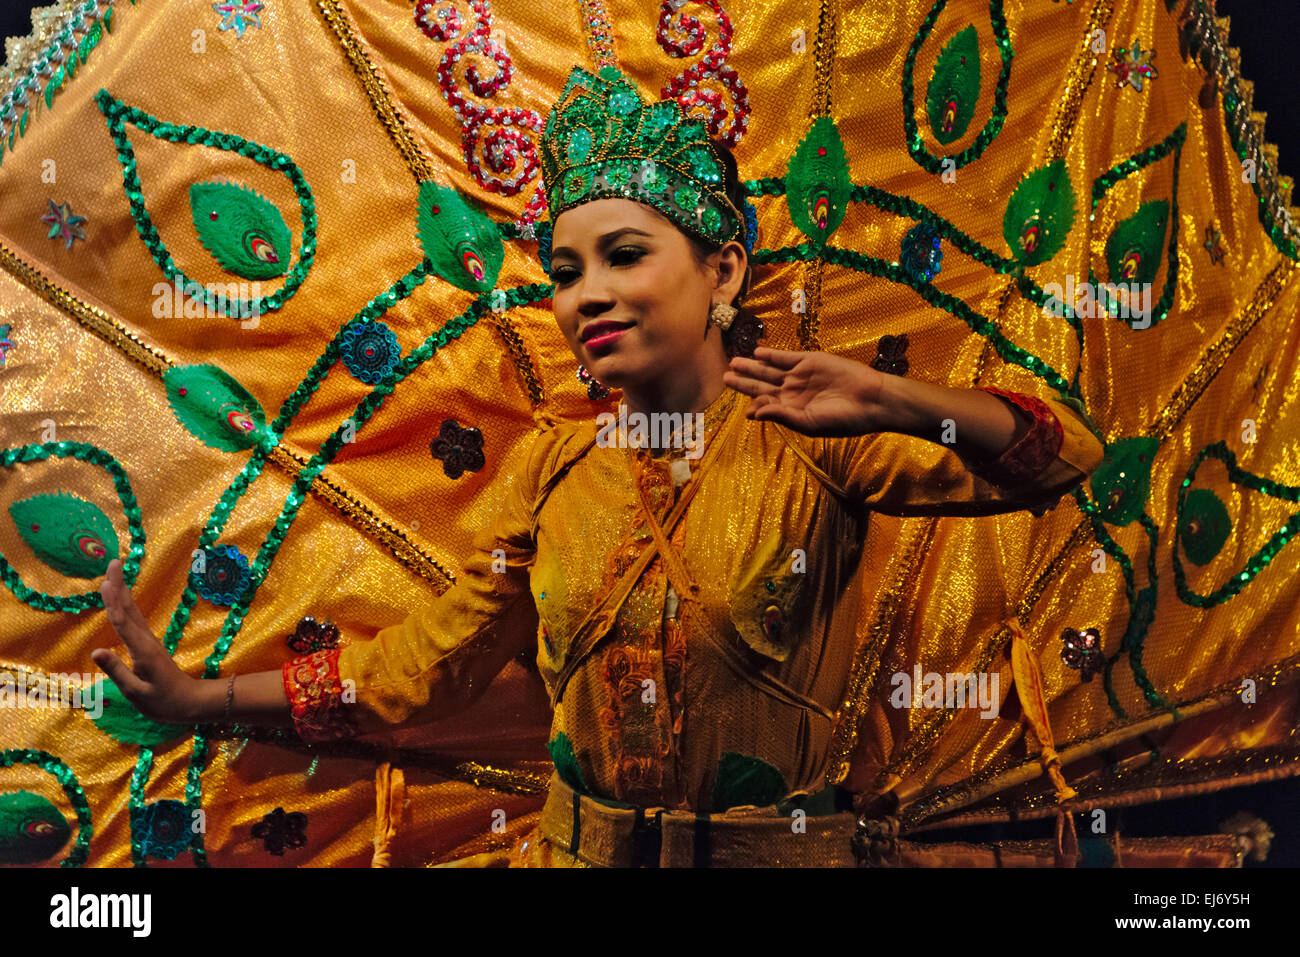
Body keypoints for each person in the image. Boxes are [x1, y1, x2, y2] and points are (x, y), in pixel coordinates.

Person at [92, 64, 1104, 867]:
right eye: (567, 273)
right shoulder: (552, 467)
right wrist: (196, 697)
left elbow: (1068, 459)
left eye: (626, 256)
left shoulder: (816, 435)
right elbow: (424, 670)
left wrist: (901, 398)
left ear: (722, 270)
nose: (587, 296)